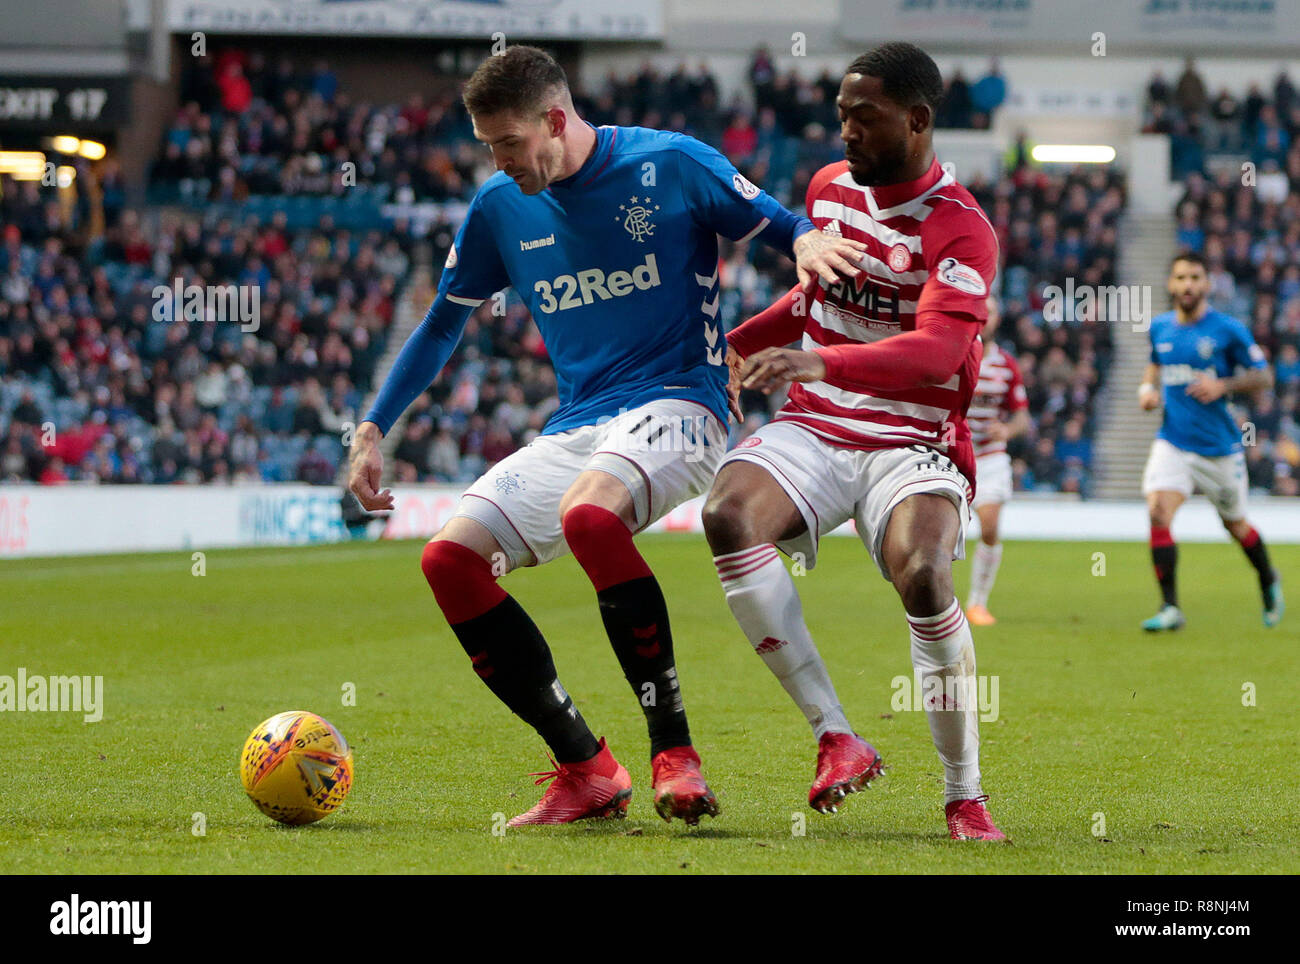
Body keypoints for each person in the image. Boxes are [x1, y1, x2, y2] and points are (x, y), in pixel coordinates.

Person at [348, 46, 863, 827]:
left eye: (511, 143)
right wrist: (373, 426)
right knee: (449, 560)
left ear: (556, 120)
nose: (499, 161)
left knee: (589, 515)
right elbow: (442, 322)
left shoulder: (671, 164)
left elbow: (781, 224)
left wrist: (803, 243)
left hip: (684, 402)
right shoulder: (498, 207)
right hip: (579, 423)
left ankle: (674, 751)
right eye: (488, 146)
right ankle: (586, 767)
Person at [702, 42, 1007, 841]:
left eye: (863, 118)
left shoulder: (962, 229)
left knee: (925, 576)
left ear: (917, 120)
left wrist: (823, 356)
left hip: (913, 439)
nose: (846, 133)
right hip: (815, 420)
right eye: (841, 116)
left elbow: (940, 353)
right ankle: (838, 736)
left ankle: (963, 793)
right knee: (728, 515)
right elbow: (808, 302)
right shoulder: (829, 190)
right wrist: (728, 350)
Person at [1138, 251, 1283, 631]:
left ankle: (1268, 578)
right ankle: (1170, 607)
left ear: (1206, 284)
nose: (1188, 285)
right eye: (1181, 278)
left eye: (1195, 278)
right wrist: (1147, 389)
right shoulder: (1160, 328)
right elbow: (1155, 362)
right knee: (1158, 513)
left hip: (1219, 448)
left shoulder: (1228, 329)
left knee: (1236, 526)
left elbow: (1264, 377)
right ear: (1171, 284)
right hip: (1172, 441)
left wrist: (1224, 384)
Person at [964, 295, 1030, 626]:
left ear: (997, 319)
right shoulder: (952, 355)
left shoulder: (1006, 364)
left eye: (989, 312)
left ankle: (977, 603)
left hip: (988, 457)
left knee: (989, 525)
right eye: (979, 311)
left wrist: (1005, 429)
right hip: (949, 455)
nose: (983, 317)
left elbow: (1022, 417)